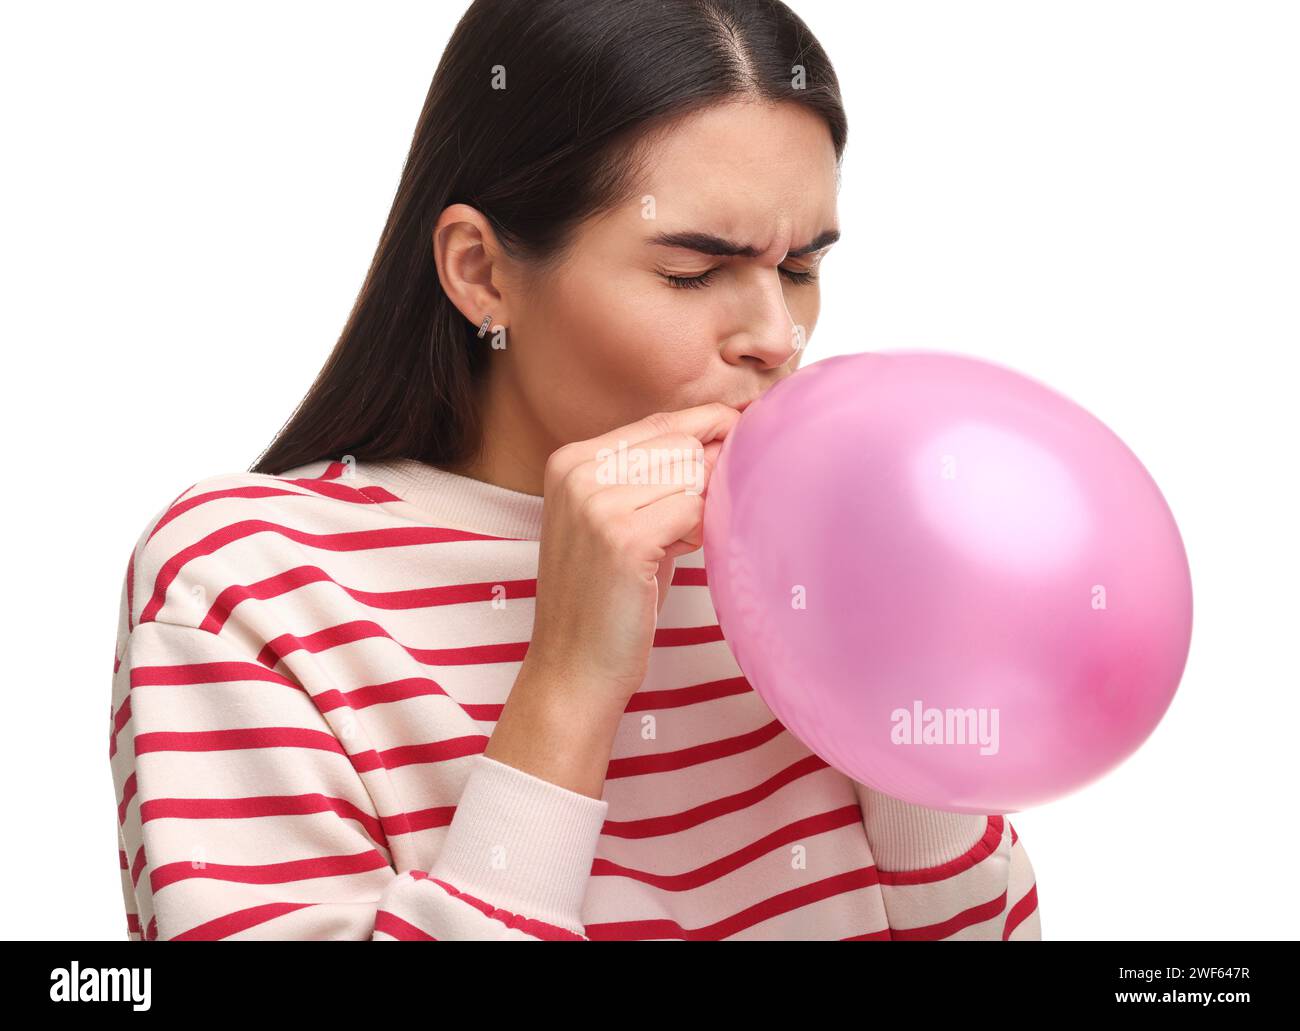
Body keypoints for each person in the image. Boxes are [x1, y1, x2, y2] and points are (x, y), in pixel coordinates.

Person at [109, 0, 1040, 940]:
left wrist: (900, 679)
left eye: (799, 266)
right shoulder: (247, 583)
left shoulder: (819, 550)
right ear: (481, 272)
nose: (776, 336)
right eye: (691, 271)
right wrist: (569, 681)